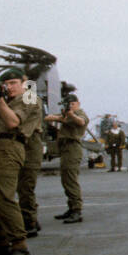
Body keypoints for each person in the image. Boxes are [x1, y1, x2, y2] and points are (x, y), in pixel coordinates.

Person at [0, 68, 42, 255]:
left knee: (4, 199)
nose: (9, 87)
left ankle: (19, 247)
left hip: (9, 147)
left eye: (13, 82)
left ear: (24, 83)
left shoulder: (30, 98)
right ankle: (1, 243)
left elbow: (13, 121)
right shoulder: (7, 101)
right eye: (6, 84)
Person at [44, 95, 89, 225]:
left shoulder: (80, 113)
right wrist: (62, 118)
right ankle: (71, 208)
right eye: (69, 104)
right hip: (65, 148)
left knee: (70, 180)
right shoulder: (67, 115)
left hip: (72, 147)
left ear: (78, 103)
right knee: (66, 180)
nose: (71, 106)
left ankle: (76, 210)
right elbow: (47, 118)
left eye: (72, 103)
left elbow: (81, 121)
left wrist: (70, 115)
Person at [18, 90, 44, 238]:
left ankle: (29, 223)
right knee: (23, 186)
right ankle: (31, 218)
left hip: (30, 145)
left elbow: (22, 126)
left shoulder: (30, 99)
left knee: (26, 186)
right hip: (23, 146)